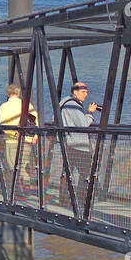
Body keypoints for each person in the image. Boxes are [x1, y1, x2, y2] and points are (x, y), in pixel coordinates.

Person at [59, 81, 99, 209]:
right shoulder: (72, 105)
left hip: (68, 143)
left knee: (68, 173)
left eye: (86, 92)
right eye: (83, 92)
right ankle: (83, 202)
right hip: (78, 145)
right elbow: (83, 125)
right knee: (86, 173)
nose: (86, 95)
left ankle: (64, 201)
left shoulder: (63, 103)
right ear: (75, 92)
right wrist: (90, 113)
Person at [0, 83, 38, 183]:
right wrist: (35, 136)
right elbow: (35, 120)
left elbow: (3, 124)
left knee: (13, 166)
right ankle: (26, 186)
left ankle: (14, 190)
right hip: (27, 139)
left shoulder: (4, 106)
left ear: (8, 94)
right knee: (24, 165)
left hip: (11, 141)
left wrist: (13, 133)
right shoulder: (26, 104)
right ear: (18, 93)